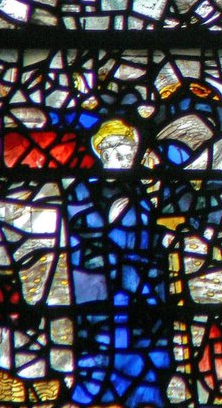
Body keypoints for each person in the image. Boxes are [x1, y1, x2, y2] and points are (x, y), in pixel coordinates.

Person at [64, 119, 171, 408]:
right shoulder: (80, 193)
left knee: (143, 354)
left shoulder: (143, 196)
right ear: (99, 153)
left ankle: (143, 395)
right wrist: (109, 247)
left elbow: (151, 242)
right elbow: (77, 240)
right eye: (111, 150)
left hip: (139, 295)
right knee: (99, 352)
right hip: (96, 292)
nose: (119, 158)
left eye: (125, 152)